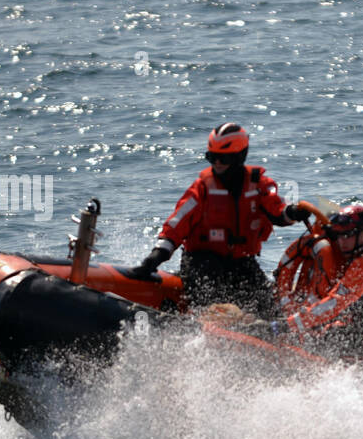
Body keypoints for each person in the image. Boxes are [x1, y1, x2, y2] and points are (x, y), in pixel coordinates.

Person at [132, 122, 311, 313]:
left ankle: (268, 334)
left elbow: (278, 211)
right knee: (210, 293)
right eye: (212, 157)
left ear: (240, 156)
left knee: (269, 308)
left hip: (241, 262)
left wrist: (292, 212)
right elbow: (176, 224)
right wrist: (156, 256)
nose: (217, 163)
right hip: (201, 261)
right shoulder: (202, 189)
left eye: (223, 158)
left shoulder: (258, 185)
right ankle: (204, 325)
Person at [277, 205, 363, 357]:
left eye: (347, 235)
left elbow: (334, 303)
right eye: (339, 236)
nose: (342, 241)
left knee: (330, 335)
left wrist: (285, 326)